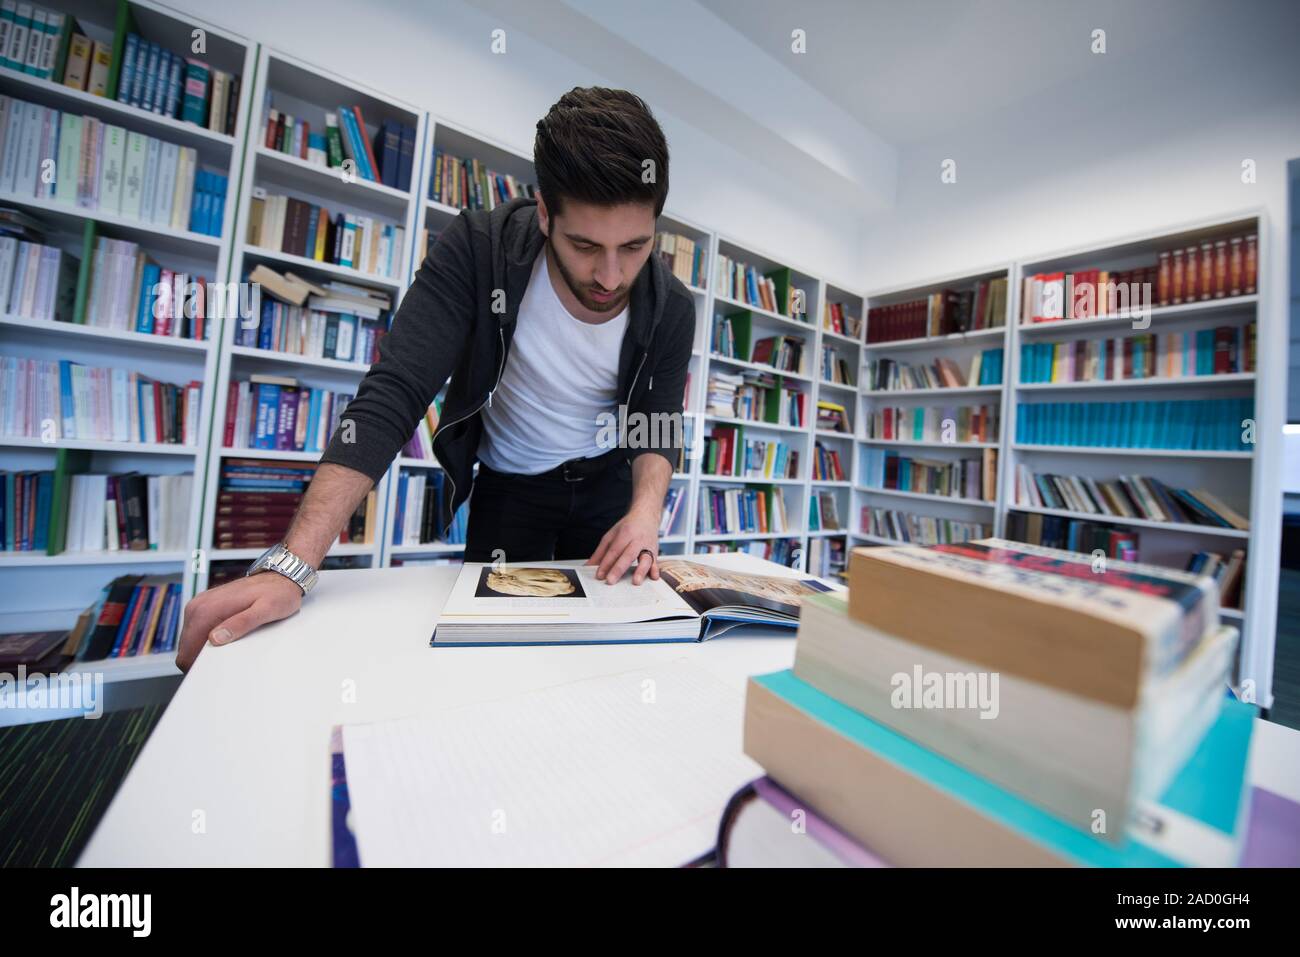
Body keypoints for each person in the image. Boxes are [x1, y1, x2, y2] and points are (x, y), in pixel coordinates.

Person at [176, 86, 694, 672]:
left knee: (604, 655)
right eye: (584, 245)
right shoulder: (479, 248)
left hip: (606, 488)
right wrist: (292, 564)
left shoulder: (670, 304)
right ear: (545, 212)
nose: (610, 275)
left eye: (634, 246)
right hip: (511, 484)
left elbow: (658, 419)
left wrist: (646, 512)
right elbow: (396, 392)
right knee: (495, 655)